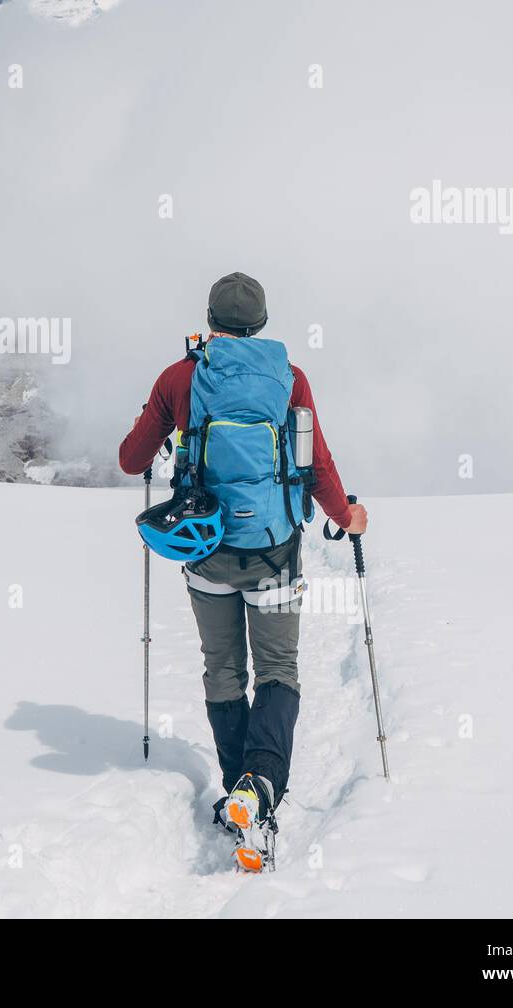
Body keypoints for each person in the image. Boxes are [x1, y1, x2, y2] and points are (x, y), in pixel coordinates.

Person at [118, 271, 367, 871]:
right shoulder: (291, 380)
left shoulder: (180, 378)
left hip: (204, 552)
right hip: (274, 552)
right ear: (261, 324)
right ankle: (260, 790)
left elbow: (131, 461)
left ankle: (239, 788)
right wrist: (347, 515)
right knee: (278, 668)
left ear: (210, 321)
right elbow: (316, 465)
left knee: (222, 668)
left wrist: (159, 421)